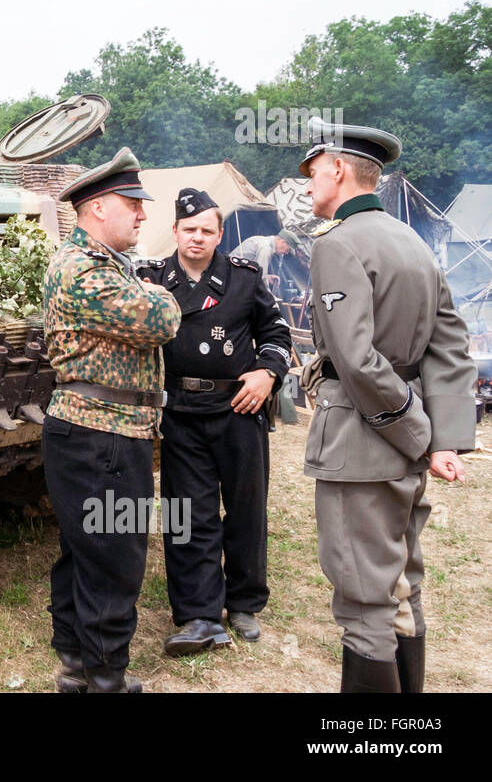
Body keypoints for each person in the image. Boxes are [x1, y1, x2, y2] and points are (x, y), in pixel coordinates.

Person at [300, 116, 474, 692]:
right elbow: (450, 345)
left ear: (340, 170)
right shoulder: (415, 243)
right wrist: (441, 438)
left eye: (313, 171)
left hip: (363, 445)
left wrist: (419, 436)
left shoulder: (339, 245)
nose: (307, 184)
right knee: (402, 580)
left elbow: (355, 361)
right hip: (407, 445)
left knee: (363, 596)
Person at [43, 147, 182, 693]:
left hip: (100, 431)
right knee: (113, 558)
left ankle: (79, 666)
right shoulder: (81, 268)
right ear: (97, 208)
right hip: (101, 432)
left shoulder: (104, 266)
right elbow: (161, 319)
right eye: (133, 204)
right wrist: (158, 291)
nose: (144, 215)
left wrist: (146, 285)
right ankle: (105, 678)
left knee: (89, 550)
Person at [138, 188, 292, 656]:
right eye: (190, 230)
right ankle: (198, 612)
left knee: (246, 507)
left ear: (220, 234)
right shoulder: (150, 278)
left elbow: (277, 333)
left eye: (207, 230)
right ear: (175, 232)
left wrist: (268, 373)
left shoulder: (244, 278)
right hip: (181, 412)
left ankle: (243, 602)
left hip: (238, 410)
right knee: (188, 514)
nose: (198, 238)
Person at [233, 229, 298, 292]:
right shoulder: (266, 248)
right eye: (288, 250)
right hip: (232, 277)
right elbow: (260, 278)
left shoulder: (265, 242)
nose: (286, 253)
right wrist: (269, 297)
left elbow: (255, 271)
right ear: (282, 242)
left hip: (235, 275)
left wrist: (267, 277)